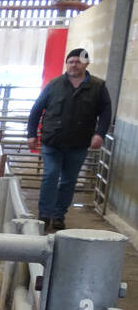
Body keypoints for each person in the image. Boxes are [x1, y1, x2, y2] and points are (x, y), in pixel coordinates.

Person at [27, 47, 112, 232]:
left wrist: (100, 134)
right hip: (53, 141)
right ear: (67, 64)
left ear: (86, 64)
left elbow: (106, 113)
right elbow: (36, 109)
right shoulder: (54, 84)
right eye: (71, 61)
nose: (74, 64)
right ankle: (44, 214)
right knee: (50, 176)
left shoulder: (98, 87)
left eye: (78, 61)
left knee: (68, 181)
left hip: (78, 144)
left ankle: (58, 216)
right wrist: (31, 134)